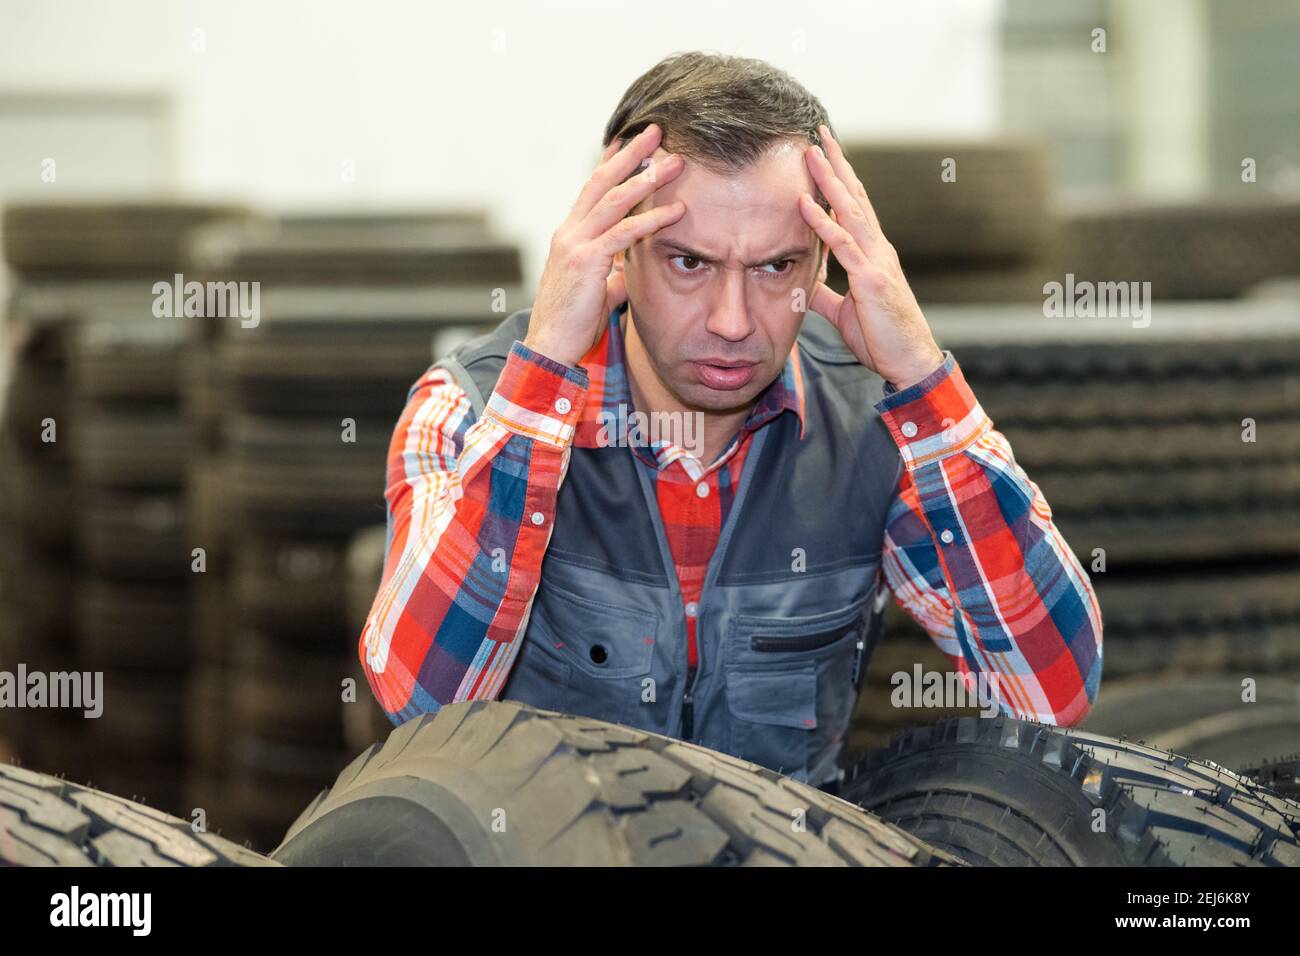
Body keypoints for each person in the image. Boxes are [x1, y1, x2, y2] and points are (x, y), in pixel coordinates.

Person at [358, 52, 1102, 788]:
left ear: (825, 260)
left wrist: (924, 382)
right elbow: (423, 703)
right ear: (617, 248)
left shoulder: (878, 421)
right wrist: (544, 373)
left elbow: (1050, 690)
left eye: (776, 267)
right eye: (690, 263)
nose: (733, 322)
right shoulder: (470, 409)